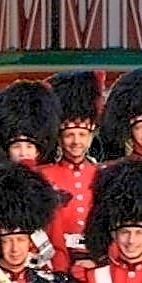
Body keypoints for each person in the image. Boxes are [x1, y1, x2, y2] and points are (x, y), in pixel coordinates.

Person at [39, 73, 103, 260]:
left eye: (82, 135)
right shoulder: (43, 175)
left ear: (90, 138)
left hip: (96, 259)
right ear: (59, 139)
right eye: (69, 135)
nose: (76, 142)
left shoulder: (103, 175)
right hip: (56, 257)